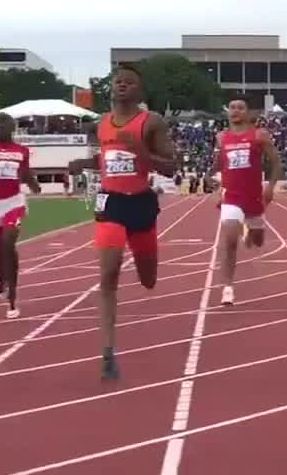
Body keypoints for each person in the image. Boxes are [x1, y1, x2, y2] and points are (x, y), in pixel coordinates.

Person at [69, 64, 177, 380]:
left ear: (139, 90)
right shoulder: (101, 124)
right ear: (111, 88)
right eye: (118, 82)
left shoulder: (151, 122)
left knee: (148, 278)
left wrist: (142, 152)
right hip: (110, 203)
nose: (122, 86)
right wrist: (84, 164)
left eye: (130, 82)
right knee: (108, 273)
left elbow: (170, 167)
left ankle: (145, 270)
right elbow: (106, 158)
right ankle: (107, 351)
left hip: (141, 203)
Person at [211, 95, 281, 305]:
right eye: (232, 107)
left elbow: (276, 163)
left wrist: (270, 186)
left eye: (240, 108)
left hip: (254, 196)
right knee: (229, 239)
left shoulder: (259, 135)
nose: (235, 111)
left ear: (248, 112)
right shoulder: (222, 137)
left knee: (257, 241)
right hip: (231, 195)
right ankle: (228, 288)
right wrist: (217, 185)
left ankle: (253, 229)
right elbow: (219, 165)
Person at [0, 113, 41, 319]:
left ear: (12, 128)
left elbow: (24, 172)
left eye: (4, 125)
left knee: (7, 241)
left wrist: (35, 185)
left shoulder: (20, 151)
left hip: (13, 202)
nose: (1, 129)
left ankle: (13, 296)